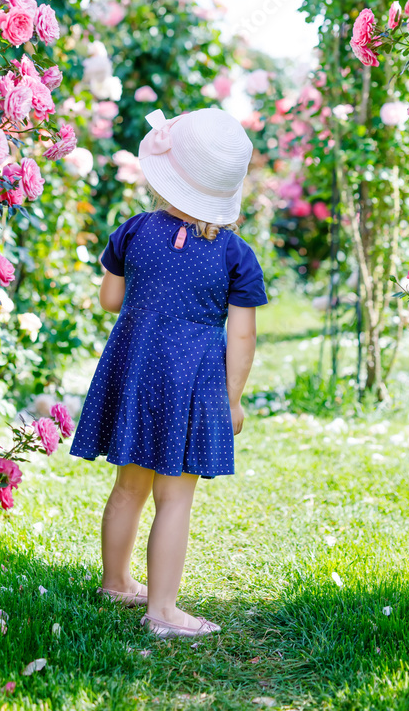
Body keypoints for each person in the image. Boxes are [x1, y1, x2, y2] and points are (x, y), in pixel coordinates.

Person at [69, 107, 268, 638]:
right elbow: (243, 338)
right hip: (192, 379)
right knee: (175, 496)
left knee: (128, 484)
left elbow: (111, 299)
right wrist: (232, 399)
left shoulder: (133, 230)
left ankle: (116, 581)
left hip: (134, 370)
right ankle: (163, 611)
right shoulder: (235, 253)